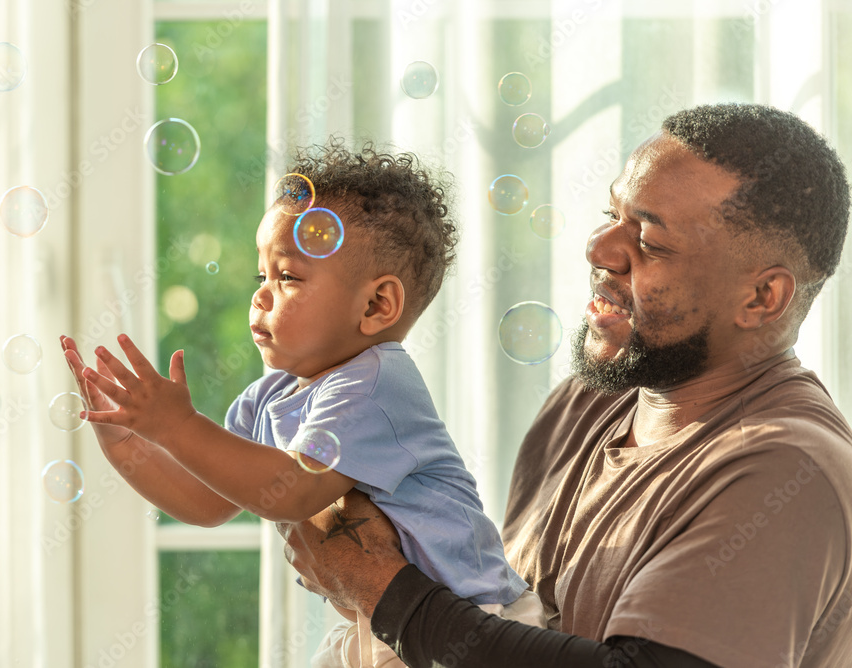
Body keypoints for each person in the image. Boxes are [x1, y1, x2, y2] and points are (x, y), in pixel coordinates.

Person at [277, 102, 852, 667]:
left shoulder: (786, 471)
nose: (599, 248)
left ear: (761, 297)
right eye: (611, 214)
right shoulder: (589, 401)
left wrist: (382, 587)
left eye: (650, 242)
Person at [60, 140, 546, 668]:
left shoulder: (376, 384)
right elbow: (207, 502)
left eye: (287, 277)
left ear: (376, 305)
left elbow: (293, 489)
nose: (260, 295)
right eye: (261, 276)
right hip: (380, 623)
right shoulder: (269, 395)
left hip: (474, 624)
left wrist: (178, 425)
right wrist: (126, 442)